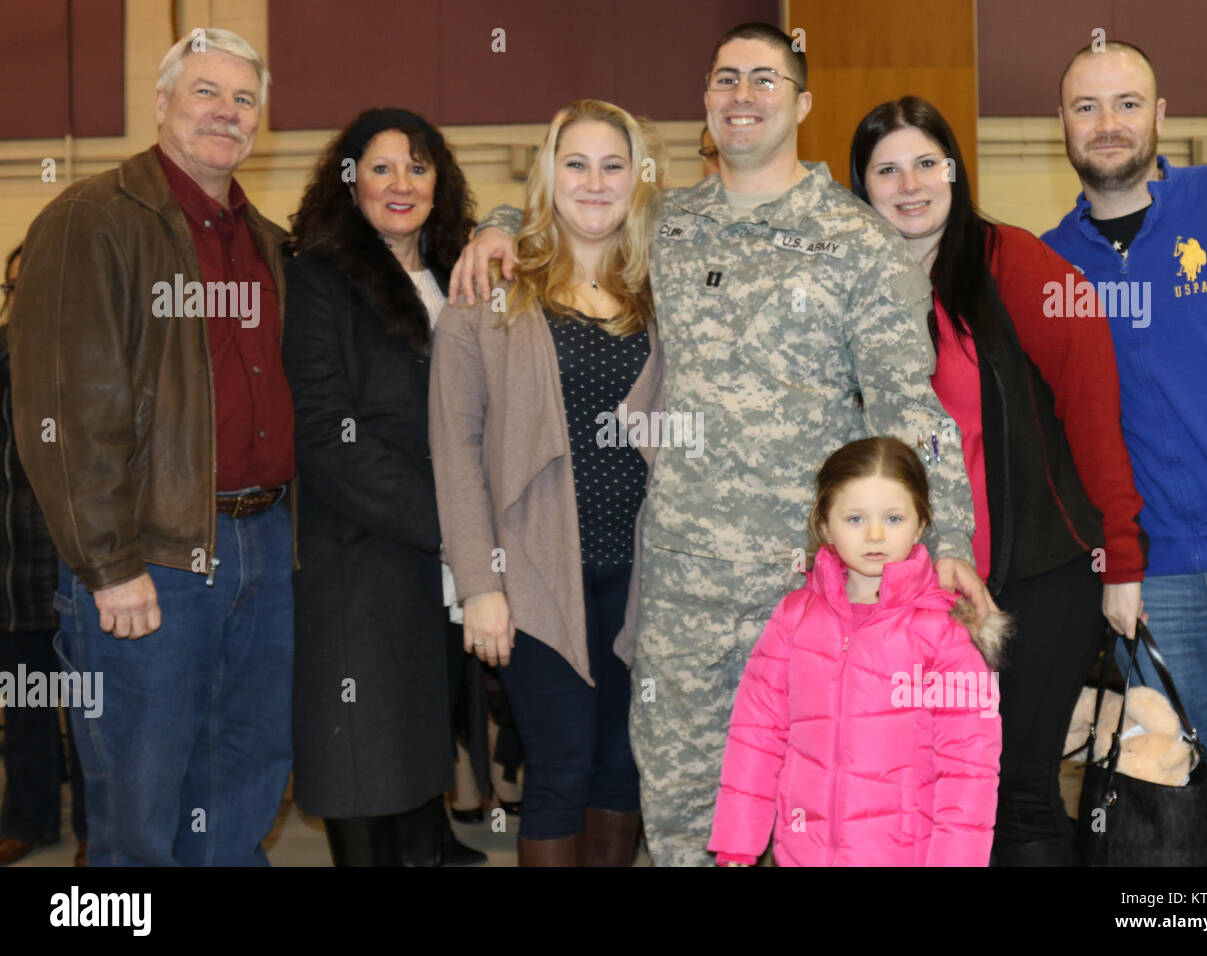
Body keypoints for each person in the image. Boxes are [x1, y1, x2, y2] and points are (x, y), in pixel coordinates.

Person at [450, 21, 989, 867]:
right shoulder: (664, 227)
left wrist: (949, 538)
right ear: (706, 102)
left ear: (803, 102)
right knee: (685, 820)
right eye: (726, 79)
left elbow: (907, 408)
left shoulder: (858, 244)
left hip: (811, 586)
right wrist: (499, 222)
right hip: (678, 596)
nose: (743, 95)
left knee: (817, 805)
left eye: (765, 80)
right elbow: (574, 208)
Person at [9, 28, 295, 866]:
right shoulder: (90, 221)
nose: (227, 112)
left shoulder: (265, 239)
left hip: (265, 545)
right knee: (139, 799)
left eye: (245, 99)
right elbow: (61, 411)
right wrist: (107, 563)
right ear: (162, 103)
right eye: (207, 91)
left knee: (245, 778)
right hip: (153, 555)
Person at [848, 97, 1147, 865]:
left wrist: (1121, 557)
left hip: (1038, 579)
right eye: (887, 169)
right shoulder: (847, 288)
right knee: (930, 794)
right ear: (863, 185)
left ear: (955, 170)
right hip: (911, 593)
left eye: (927, 163)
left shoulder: (1021, 266)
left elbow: (1094, 414)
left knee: (1016, 794)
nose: (910, 184)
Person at [1043, 41, 1207, 863]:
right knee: (1172, 799)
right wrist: (1109, 563)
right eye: (1086, 106)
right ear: (1062, 126)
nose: (1107, 123)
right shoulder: (1051, 265)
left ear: (1160, 115)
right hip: (1153, 579)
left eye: (1126, 103)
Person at [431, 99, 665, 866]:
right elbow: (455, 450)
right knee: (558, 769)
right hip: (533, 579)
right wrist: (481, 584)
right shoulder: (489, 295)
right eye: (576, 163)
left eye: (612, 165)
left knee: (624, 769)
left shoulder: (665, 292)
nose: (594, 183)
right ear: (547, 175)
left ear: (637, 179)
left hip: (644, 578)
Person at [283, 108, 485, 866]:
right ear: (350, 181)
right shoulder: (318, 277)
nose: (403, 183)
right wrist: (455, 524)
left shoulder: (454, 272)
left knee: (419, 761)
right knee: (363, 766)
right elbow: (328, 438)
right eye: (382, 167)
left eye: (420, 166)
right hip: (361, 558)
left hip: (443, 567)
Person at [709, 437, 1004, 866]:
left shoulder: (945, 635)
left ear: (921, 524)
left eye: (894, 517)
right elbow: (756, 734)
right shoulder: (794, 618)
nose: (875, 534)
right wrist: (739, 840)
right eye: (854, 518)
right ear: (824, 525)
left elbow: (968, 770)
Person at [0, 244, 87, 867]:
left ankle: (95, 829)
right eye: (14, 288)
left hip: (85, 574)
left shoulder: (91, 356)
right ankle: (28, 819)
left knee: (92, 719)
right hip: (9, 575)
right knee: (26, 707)